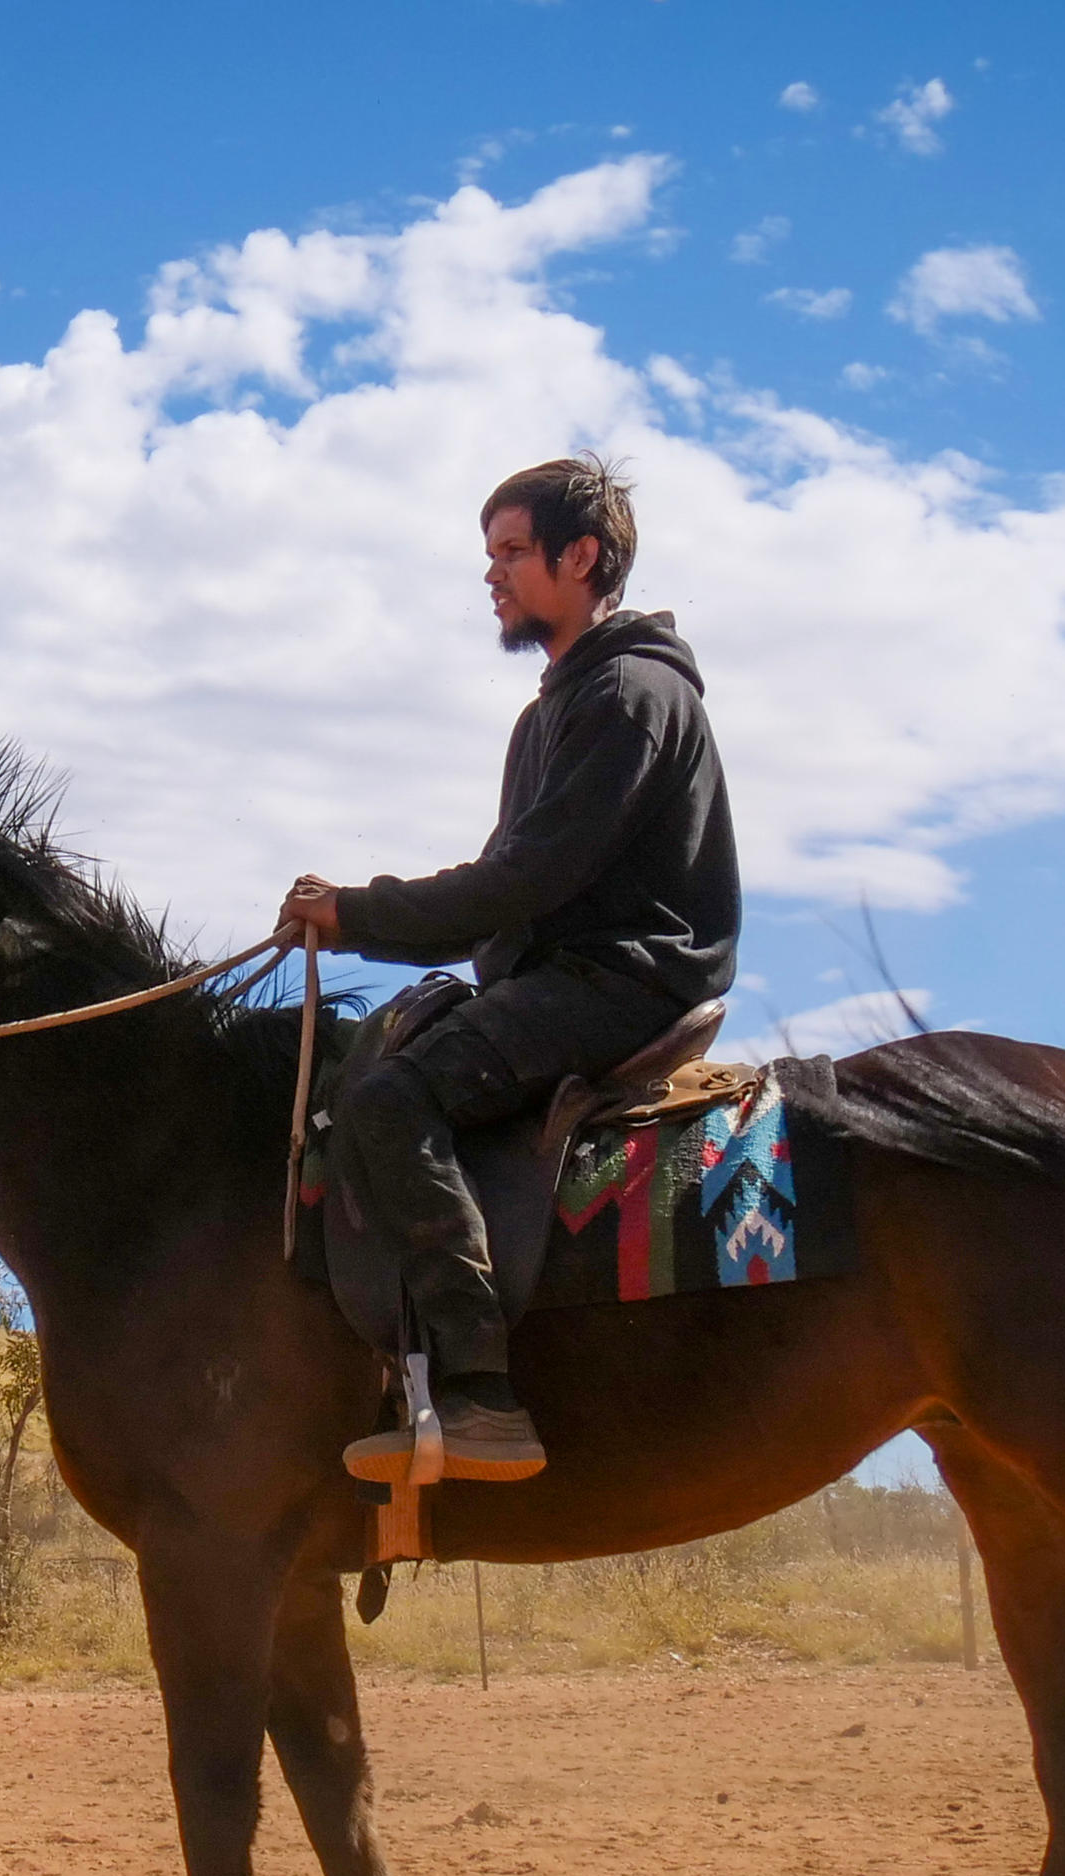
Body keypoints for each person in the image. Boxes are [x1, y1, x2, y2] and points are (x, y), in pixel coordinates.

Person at [274, 458, 739, 1480]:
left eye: (511, 552)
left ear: (581, 556)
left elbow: (519, 881)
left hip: (625, 979)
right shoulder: (554, 710)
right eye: (488, 555)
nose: (491, 574)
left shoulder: (628, 693)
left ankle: (481, 1395)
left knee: (392, 1103)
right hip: (563, 974)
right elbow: (506, 891)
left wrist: (352, 911)